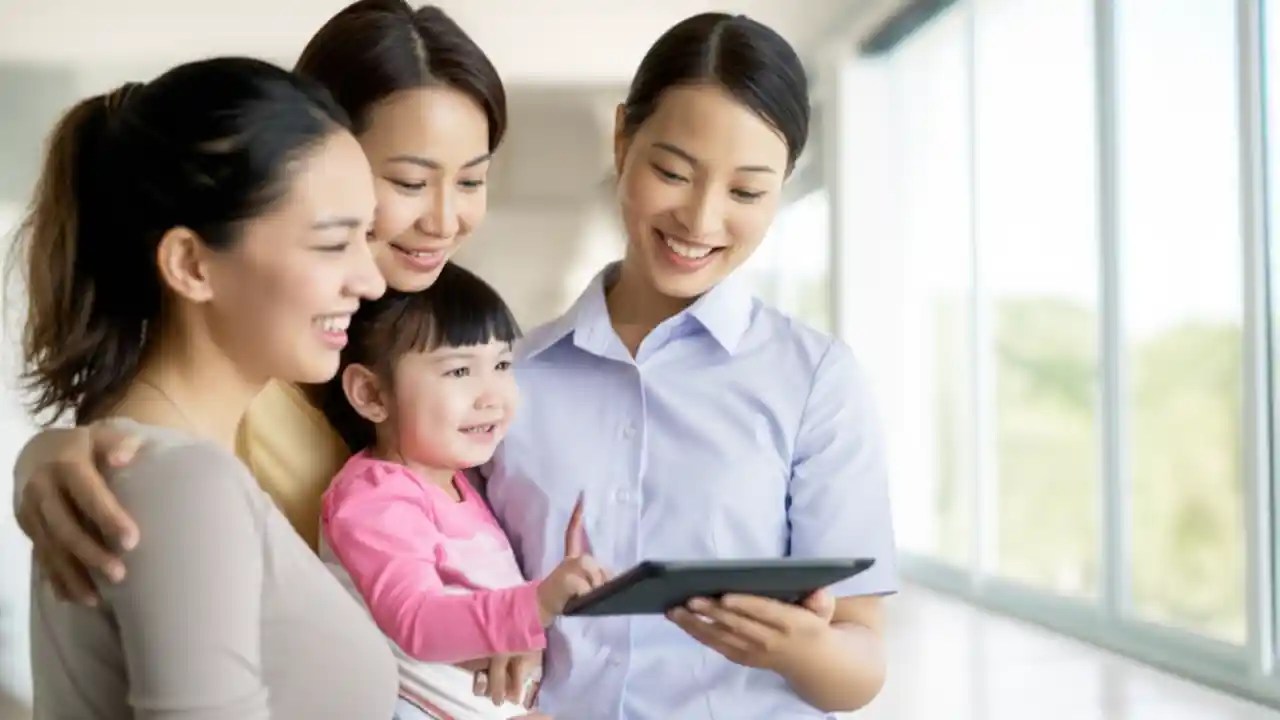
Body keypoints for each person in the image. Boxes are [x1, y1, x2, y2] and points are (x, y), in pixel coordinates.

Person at [14, 10, 896, 720]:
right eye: (402, 181)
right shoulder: (260, 374)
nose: (441, 219)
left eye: (471, 178)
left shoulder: (457, 369)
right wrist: (57, 452)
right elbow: (165, 476)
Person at [479, 12, 897, 719]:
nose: (700, 221)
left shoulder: (816, 380)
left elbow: (860, 667)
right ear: (622, 140)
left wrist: (798, 649)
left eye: (746, 193)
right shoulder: (504, 380)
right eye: (672, 172)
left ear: (783, 188)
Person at [16, 55, 397, 718]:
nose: (370, 280)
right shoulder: (179, 480)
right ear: (192, 264)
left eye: (367, 237)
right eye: (334, 244)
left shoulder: (159, 466)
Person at [316, 265, 608, 719]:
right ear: (372, 394)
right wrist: (538, 603)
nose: (491, 395)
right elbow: (418, 621)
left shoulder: (458, 485)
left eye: (502, 365)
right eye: (458, 371)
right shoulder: (376, 497)